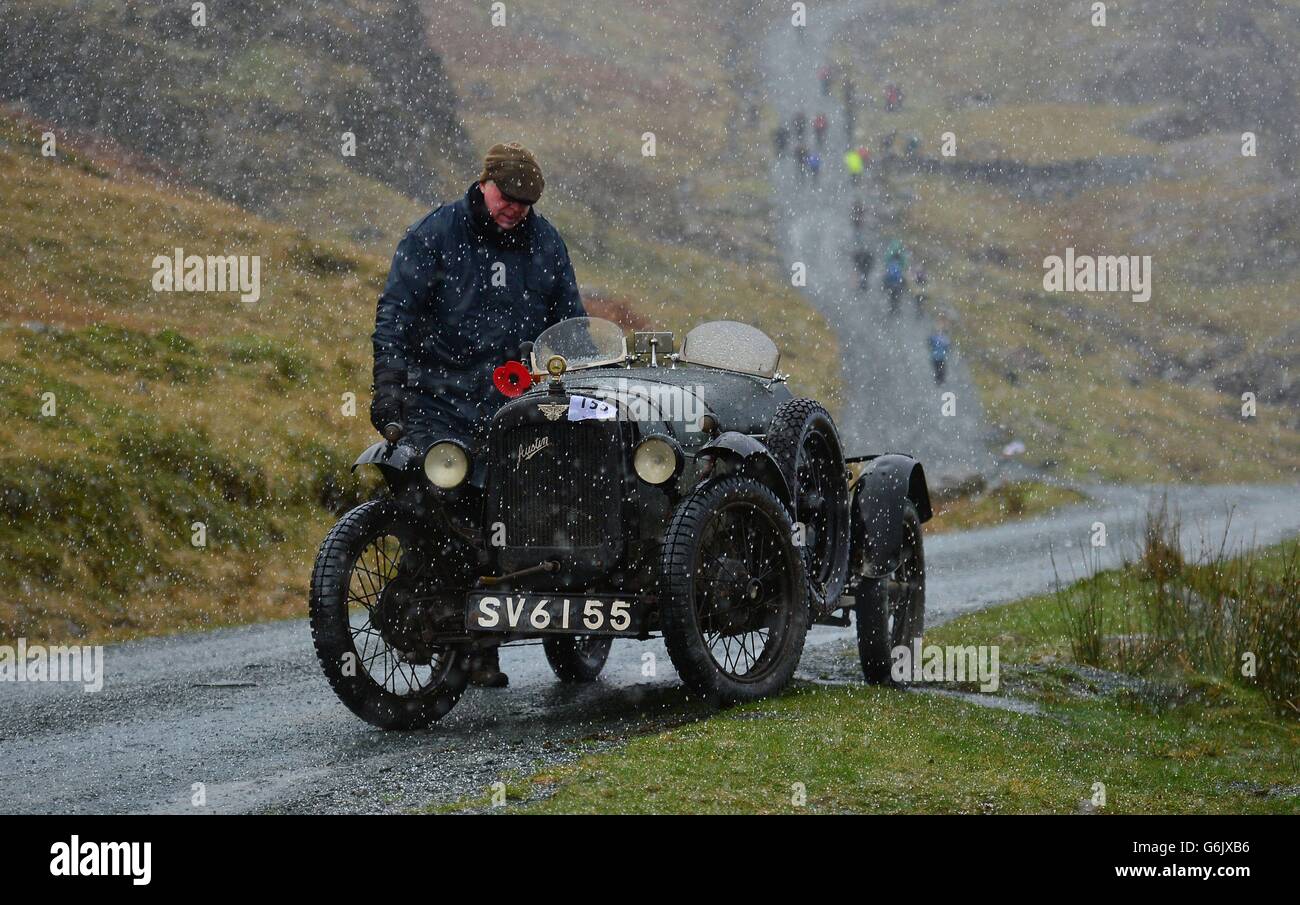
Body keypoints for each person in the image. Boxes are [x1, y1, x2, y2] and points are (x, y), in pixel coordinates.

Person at [371, 141, 586, 688]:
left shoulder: (546, 244)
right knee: (440, 509)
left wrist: (576, 385)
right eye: (507, 197)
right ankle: (432, 622)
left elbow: (570, 327)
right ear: (484, 182)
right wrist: (389, 394)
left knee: (516, 517)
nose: (515, 208)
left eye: (525, 202)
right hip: (436, 402)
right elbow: (395, 314)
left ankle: (485, 644)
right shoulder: (435, 235)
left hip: (515, 408)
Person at [882, 245, 907, 314]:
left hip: (891, 284)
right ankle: (896, 308)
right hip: (897, 284)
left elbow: (887, 275)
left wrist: (885, 284)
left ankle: (892, 308)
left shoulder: (890, 264)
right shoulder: (899, 266)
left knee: (891, 297)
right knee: (897, 297)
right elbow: (900, 276)